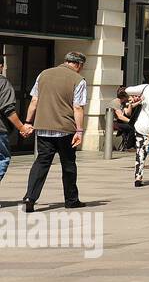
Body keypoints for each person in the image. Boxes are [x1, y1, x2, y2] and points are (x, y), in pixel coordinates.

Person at [22, 51, 89, 212]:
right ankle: (71, 200)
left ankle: (30, 197)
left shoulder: (43, 74)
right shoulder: (78, 80)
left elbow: (35, 100)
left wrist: (28, 122)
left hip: (43, 128)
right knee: (68, 164)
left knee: (42, 162)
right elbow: (78, 107)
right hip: (65, 129)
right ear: (78, 64)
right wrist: (79, 131)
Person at [0, 57, 35, 191]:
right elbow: (7, 109)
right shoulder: (3, 83)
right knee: (2, 158)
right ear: (1, 66)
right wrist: (22, 127)